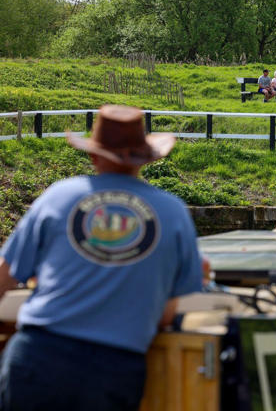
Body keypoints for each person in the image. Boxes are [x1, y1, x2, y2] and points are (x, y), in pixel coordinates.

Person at [0, 105, 203, 410]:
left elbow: (5, 276)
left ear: (93, 154)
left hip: (38, 356)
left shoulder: (58, 196)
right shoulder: (173, 212)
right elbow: (163, 315)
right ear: (145, 159)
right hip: (113, 369)